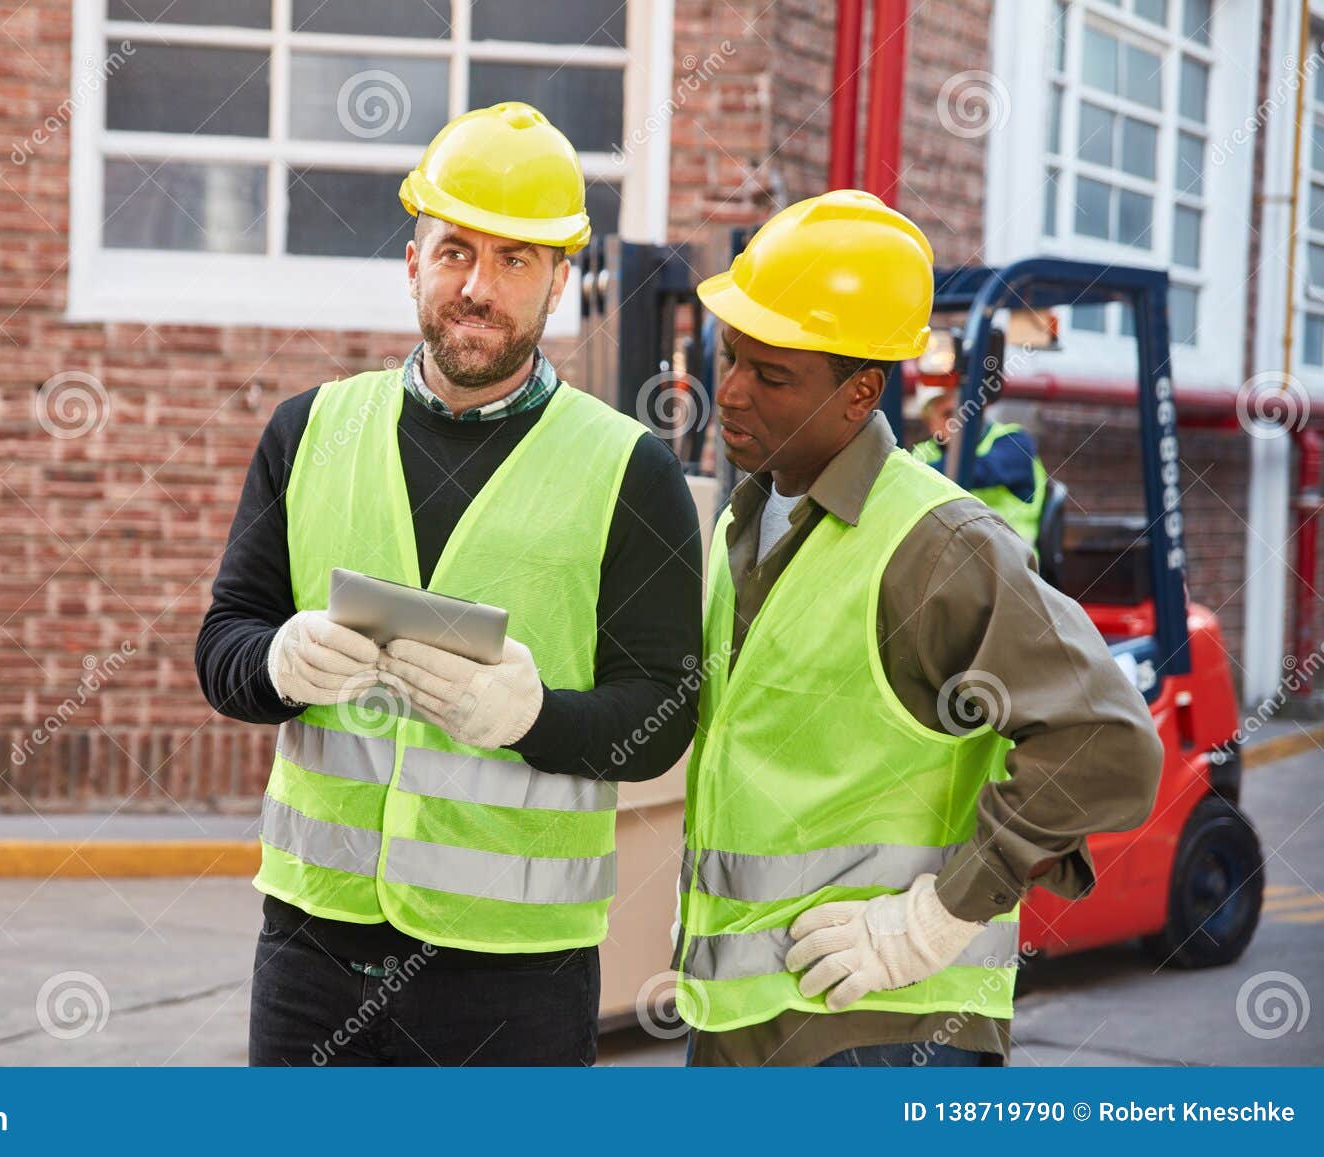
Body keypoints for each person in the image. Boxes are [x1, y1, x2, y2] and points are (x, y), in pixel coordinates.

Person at [195, 102, 702, 1067]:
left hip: (516, 978)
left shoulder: (631, 471)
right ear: (414, 260)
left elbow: (666, 717)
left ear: (560, 282)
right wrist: (278, 660)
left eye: (517, 260)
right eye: (456, 250)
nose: (480, 285)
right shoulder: (307, 433)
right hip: (312, 949)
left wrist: (533, 716)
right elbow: (223, 648)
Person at [672, 189, 1163, 1067]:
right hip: (745, 1023)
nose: (732, 392)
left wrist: (935, 917)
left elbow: (1110, 741)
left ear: (861, 392)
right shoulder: (744, 522)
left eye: (772, 375)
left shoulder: (937, 545)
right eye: (730, 355)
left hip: (886, 1030)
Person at [911, 385, 1048, 548]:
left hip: (1009, 555)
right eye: (948, 414)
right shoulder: (922, 453)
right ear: (931, 425)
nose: (958, 419)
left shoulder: (1014, 441)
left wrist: (918, 475)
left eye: (964, 410)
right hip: (949, 553)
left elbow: (980, 470)